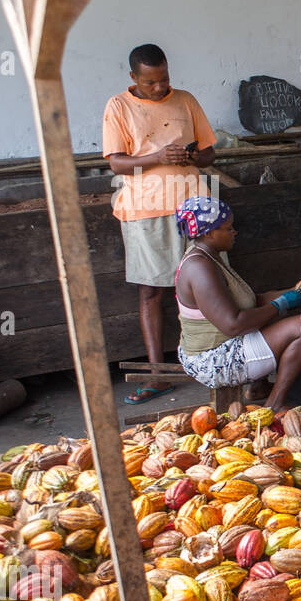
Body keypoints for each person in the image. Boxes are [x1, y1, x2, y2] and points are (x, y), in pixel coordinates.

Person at [103, 43, 217, 403]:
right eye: (150, 82)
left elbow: (210, 152)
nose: (159, 88)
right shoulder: (118, 107)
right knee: (152, 291)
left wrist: (194, 155)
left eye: (164, 79)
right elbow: (118, 165)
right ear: (133, 77)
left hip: (195, 206)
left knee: (209, 285)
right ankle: (157, 373)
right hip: (145, 210)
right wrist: (156, 158)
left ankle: (213, 362)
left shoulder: (185, 100)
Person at [173, 197, 301, 411]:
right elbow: (233, 324)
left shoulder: (209, 256)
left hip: (220, 346)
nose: (234, 232)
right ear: (209, 233)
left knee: (265, 316)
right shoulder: (200, 267)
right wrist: (280, 305)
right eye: (228, 228)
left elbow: (251, 301)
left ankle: (258, 388)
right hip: (213, 360)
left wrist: (296, 292)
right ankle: (275, 404)